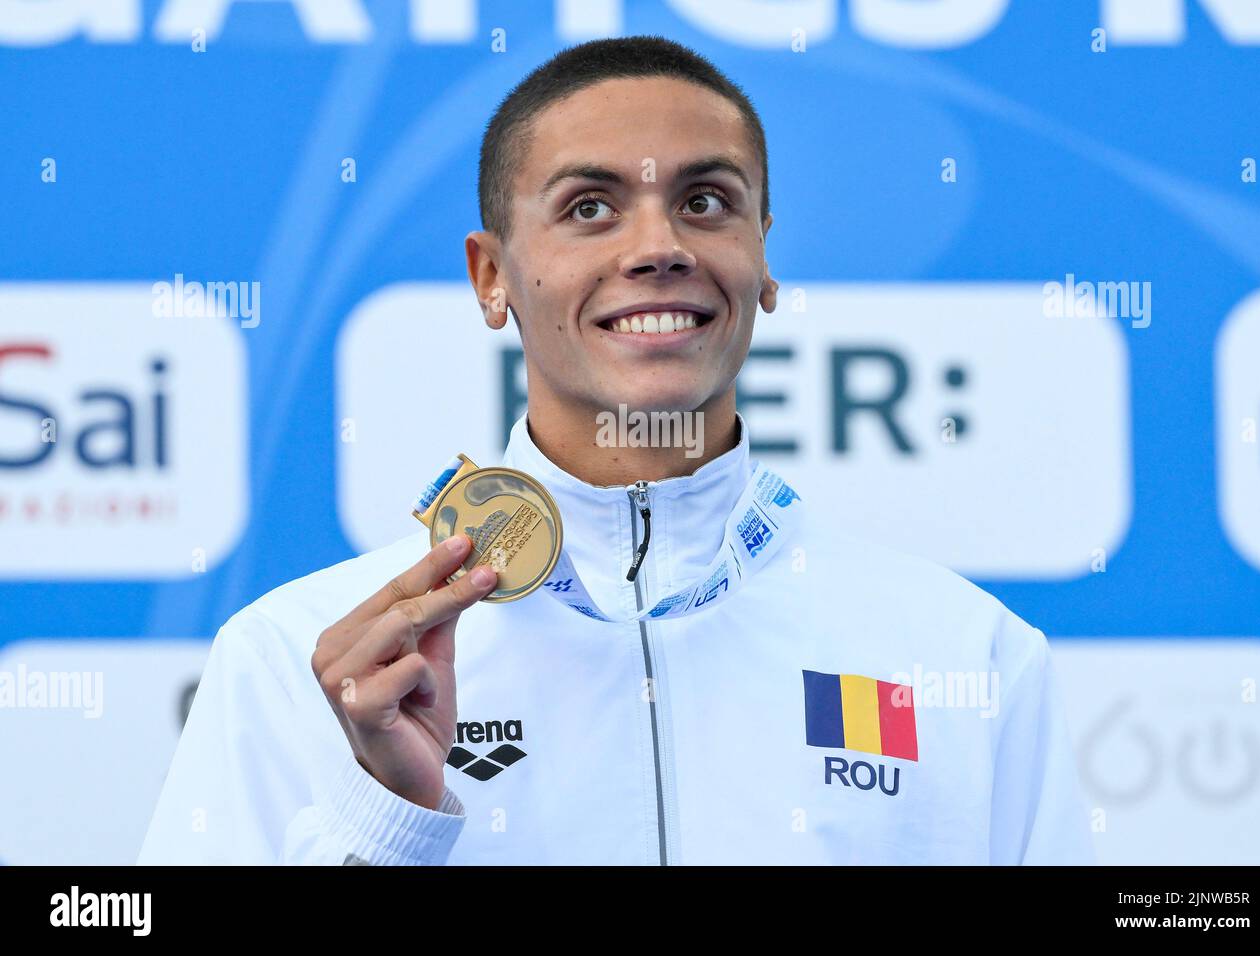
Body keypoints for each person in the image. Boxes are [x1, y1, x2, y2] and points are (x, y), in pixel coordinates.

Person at [138, 35, 1095, 866]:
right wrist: (388, 817)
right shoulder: (296, 661)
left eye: (707, 202)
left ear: (764, 257)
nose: (658, 248)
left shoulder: (962, 655)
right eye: (590, 207)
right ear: (491, 276)